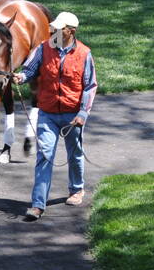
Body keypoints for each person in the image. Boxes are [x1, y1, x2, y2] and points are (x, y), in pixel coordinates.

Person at [13, 12, 97, 221]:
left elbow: (90, 86)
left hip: (72, 115)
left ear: (71, 31)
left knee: (74, 153)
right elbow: (30, 70)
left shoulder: (84, 53)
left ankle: (76, 189)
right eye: (54, 28)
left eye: (59, 29)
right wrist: (21, 77)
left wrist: (83, 113)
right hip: (47, 113)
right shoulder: (44, 47)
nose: (54, 31)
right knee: (45, 156)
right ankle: (38, 204)